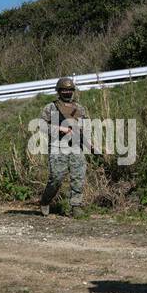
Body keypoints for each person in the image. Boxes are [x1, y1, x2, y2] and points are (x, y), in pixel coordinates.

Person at [39, 77, 88, 216]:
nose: (67, 92)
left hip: (75, 145)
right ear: (59, 91)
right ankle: (45, 201)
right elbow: (42, 125)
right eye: (64, 90)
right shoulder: (50, 107)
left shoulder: (79, 108)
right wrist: (60, 128)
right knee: (56, 177)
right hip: (57, 146)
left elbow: (85, 125)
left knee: (78, 176)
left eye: (70, 90)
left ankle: (76, 206)